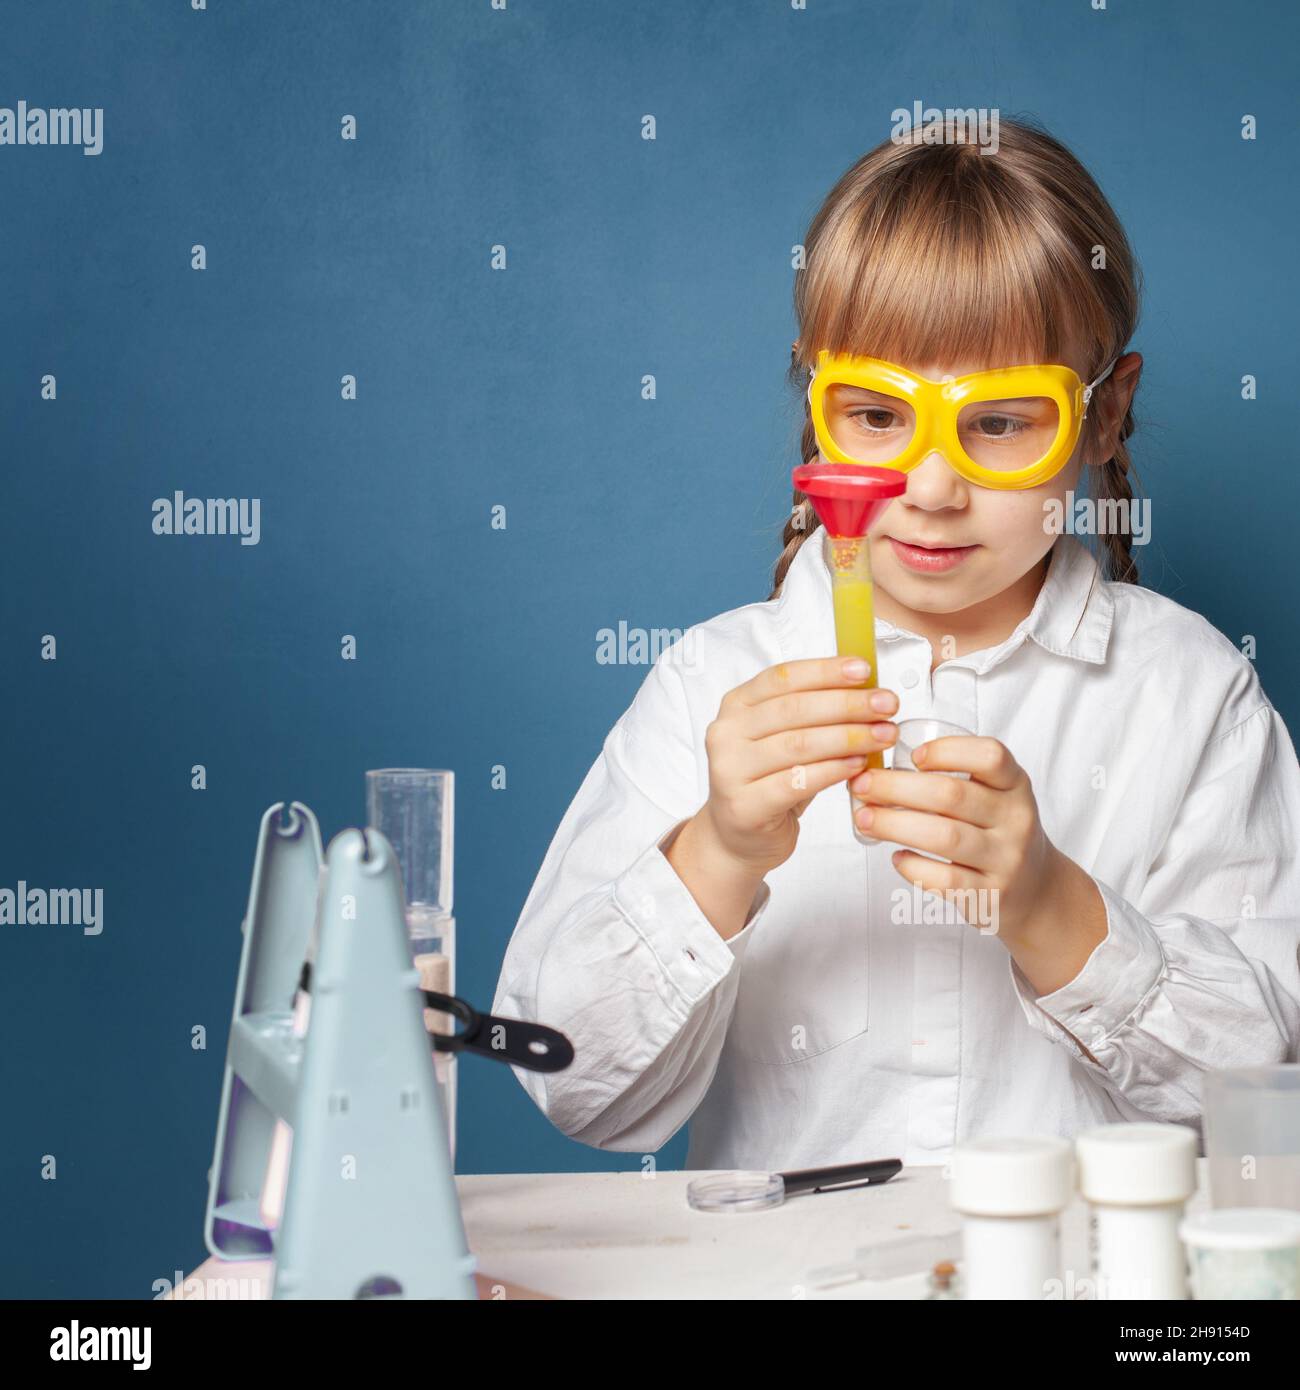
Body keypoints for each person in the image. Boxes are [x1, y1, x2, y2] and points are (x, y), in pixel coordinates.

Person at [492, 117, 1300, 1171]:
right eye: (877, 415)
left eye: (1002, 423)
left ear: (1106, 418)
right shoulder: (710, 685)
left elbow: (1259, 1100)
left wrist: (1053, 907)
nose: (929, 488)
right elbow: (572, 1086)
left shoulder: (1189, 693)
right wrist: (718, 852)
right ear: (817, 404)